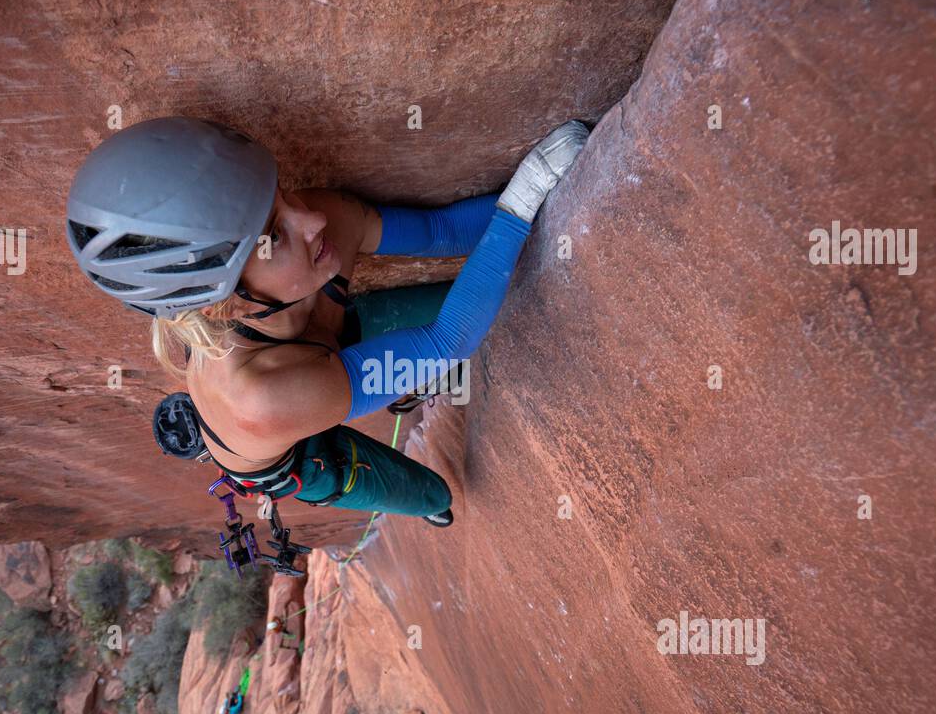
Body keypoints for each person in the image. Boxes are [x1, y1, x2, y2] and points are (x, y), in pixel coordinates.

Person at [66, 117, 588, 525]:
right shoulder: (261, 401)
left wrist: (543, 194)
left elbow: (440, 229)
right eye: (276, 232)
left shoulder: (310, 233)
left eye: (282, 198)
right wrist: (524, 199)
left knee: (513, 288)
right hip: (290, 454)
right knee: (432, 493)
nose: (311, 218)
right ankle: (428, 506)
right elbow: (446, 341)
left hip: (321, 350)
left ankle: (381, 383)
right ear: (227, 305)